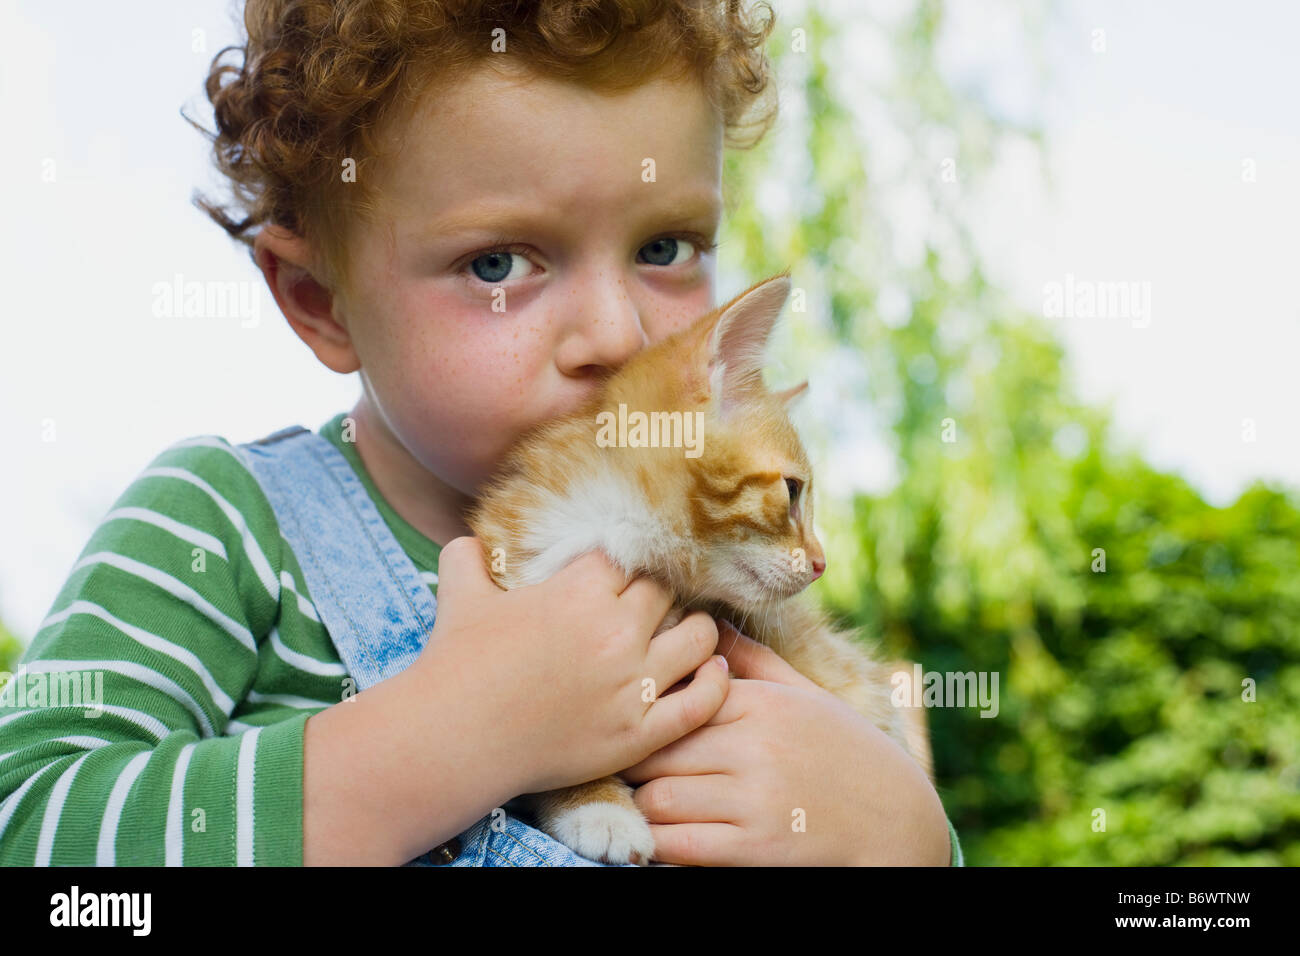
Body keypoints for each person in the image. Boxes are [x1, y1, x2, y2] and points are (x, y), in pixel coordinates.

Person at [0, 0, 962, 867]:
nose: (615, 333)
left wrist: (906, 836)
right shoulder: (226, 525)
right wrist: (462, 735)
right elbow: (29, 826)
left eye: (665, 247)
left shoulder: (731, 576)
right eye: (499, 262)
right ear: (320, 300)